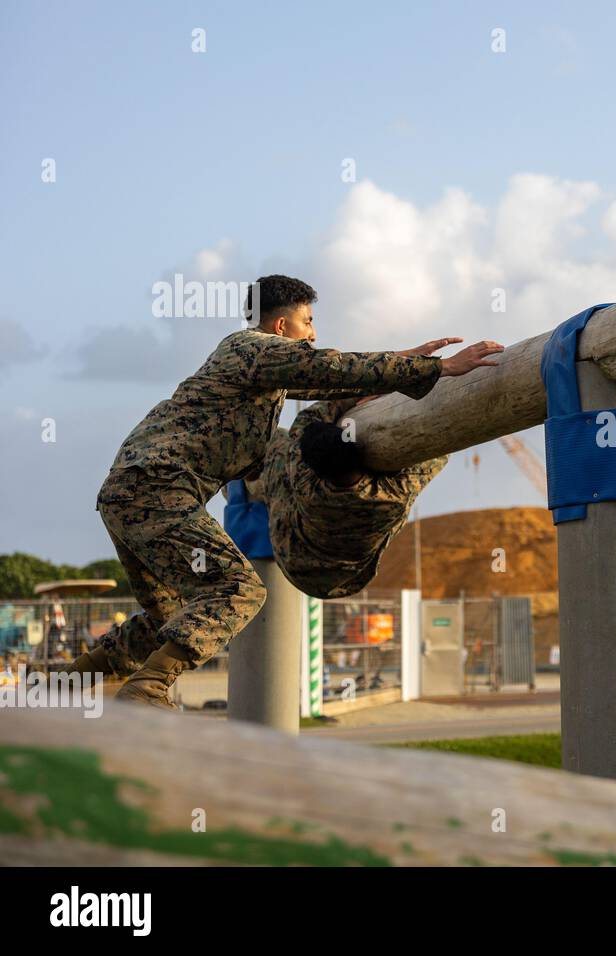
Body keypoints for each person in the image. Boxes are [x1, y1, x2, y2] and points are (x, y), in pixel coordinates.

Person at [74, 274, 501, 706]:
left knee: (168, 612)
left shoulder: (259, 369)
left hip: (129, 492)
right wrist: (440, 368)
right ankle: (147, 689)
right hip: (157, 489)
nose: (313, 334)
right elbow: (331, 366)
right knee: (240, 589)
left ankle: (67, 683)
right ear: (281, 327)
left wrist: (404, 360)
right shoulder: (252, 349)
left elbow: (336, 379)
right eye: (308, 321)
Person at [248, 395, 448, 599]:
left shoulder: (304, 483)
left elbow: (306, 421)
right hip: (348, 580)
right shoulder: (393, 497)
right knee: (279, 453)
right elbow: (440, 444)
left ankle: (246, 475)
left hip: (294, 559)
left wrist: (350, 399)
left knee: (275, 443)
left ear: (316, 470)